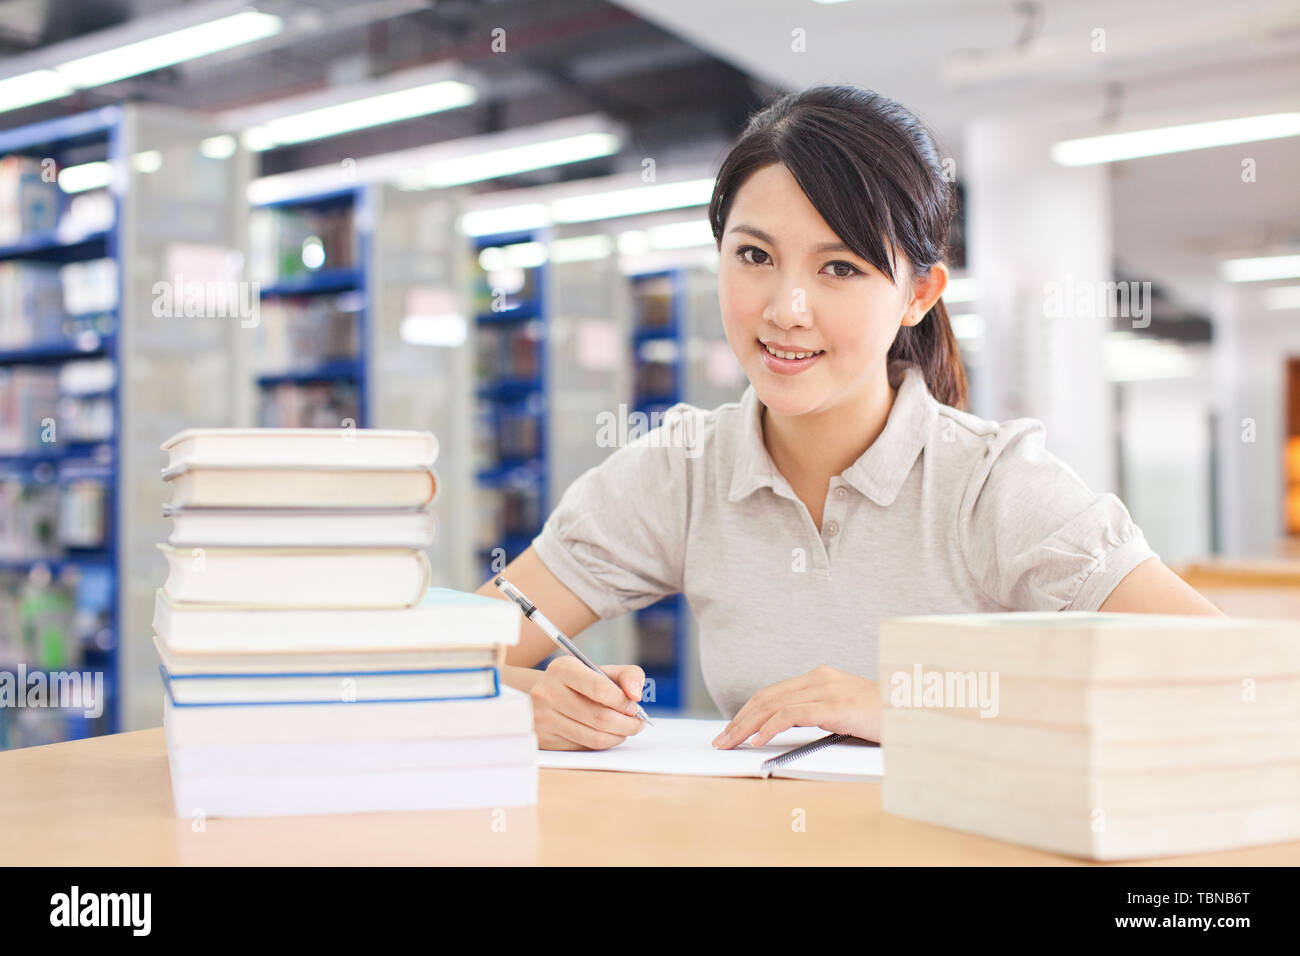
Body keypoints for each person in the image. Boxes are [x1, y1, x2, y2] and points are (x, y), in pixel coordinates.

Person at [477, 84, 1224, 752]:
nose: (783, 310)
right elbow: (426, 657)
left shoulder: (992, 487)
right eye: (753, 256)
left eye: (840, 268)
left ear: (919, 294)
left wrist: (905, 707)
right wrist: (527, 699)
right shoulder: (680, 471)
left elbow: (1227, 680)